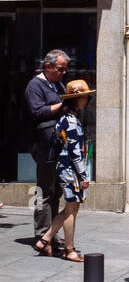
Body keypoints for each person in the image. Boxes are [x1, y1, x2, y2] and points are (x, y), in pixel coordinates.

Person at [34, 80, 93, 262]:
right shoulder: (72, 121)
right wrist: (83, 175)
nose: (86, 99)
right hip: (69, 171)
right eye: (83, 96)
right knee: (71, 209)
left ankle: (45, 239)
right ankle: (69, 249)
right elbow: (75, 153)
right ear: (76, 99)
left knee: (70, 207)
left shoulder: (65, 118)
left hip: (64, 168)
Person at [24, 49, 70, 252]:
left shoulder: (55, 83)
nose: (63, 73)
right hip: (43, 144)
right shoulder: (35, 85)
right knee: (45, 188)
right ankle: (42, 234)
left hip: (56, 143)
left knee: (55, 189)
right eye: (60, 69)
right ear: (48, 66)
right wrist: (62, 104)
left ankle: (50, 232)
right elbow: (37, 111)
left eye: (65, 70)